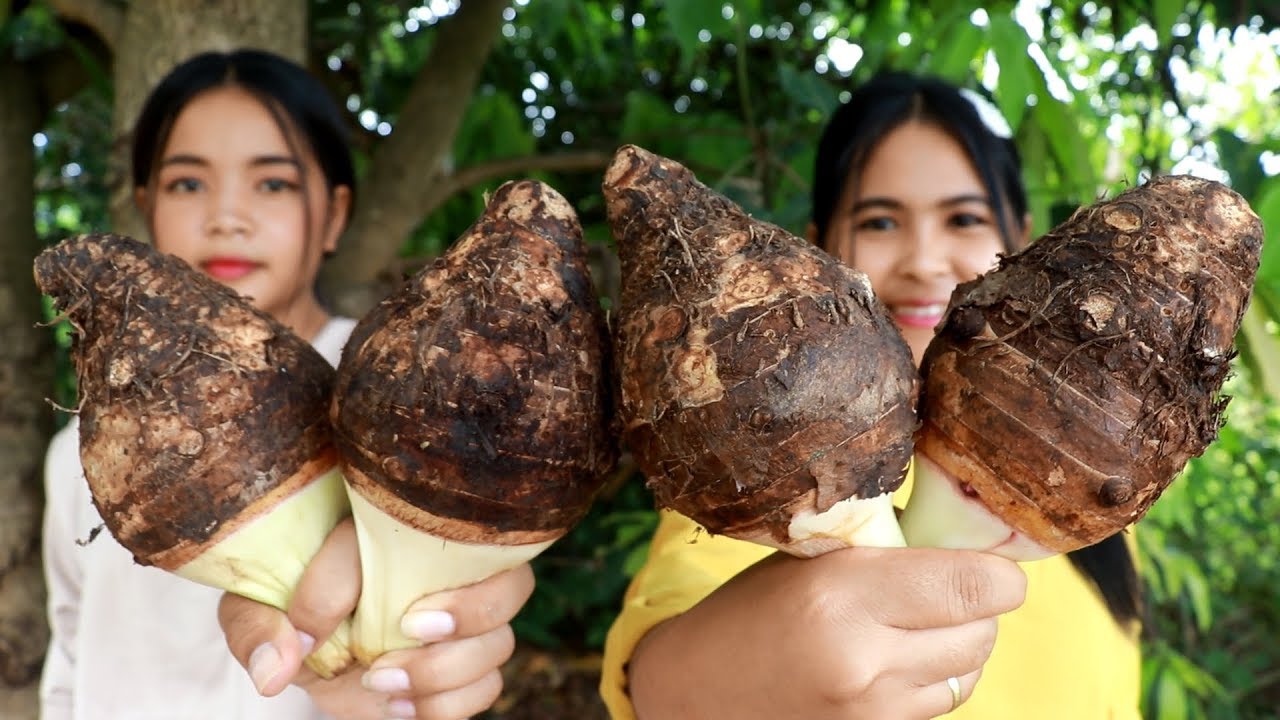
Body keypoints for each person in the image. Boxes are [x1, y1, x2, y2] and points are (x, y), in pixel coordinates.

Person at [600, 71, 1143, 719]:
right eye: (880, 221)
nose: (923, 261)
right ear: (818, 247)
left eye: (964, 218)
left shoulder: (1087, 479)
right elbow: (663, 670)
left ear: (1024, 241)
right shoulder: (770, 468)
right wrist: (739, 668)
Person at [40, 49, 531, 720]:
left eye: (272, 183)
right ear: (146, 207)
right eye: (188, 184)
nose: (226, 216)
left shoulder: (399, 408)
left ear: (334, 214)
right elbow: (71, 656)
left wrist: (389, 688)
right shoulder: (79, 454)